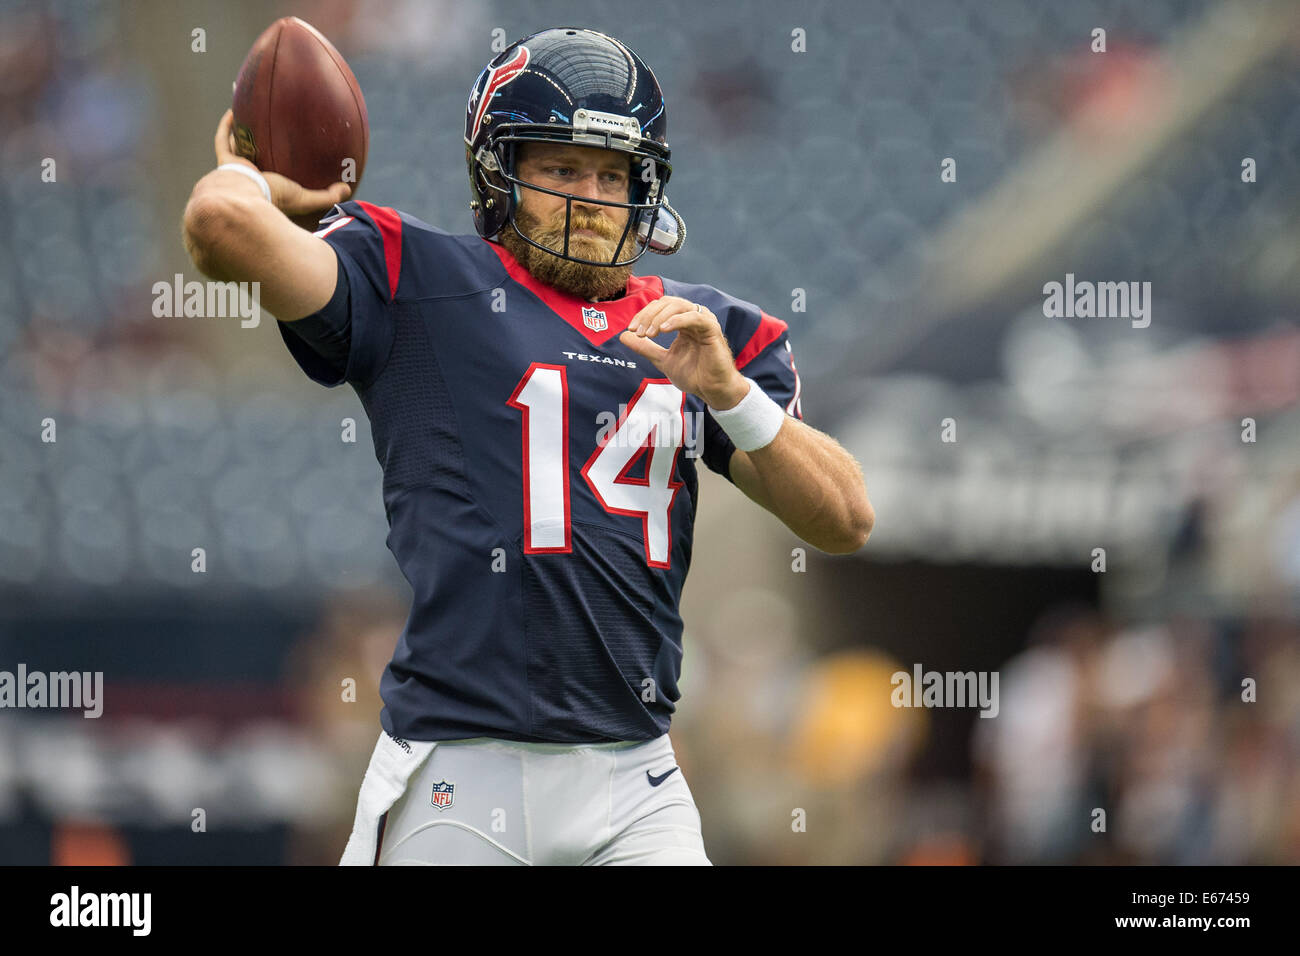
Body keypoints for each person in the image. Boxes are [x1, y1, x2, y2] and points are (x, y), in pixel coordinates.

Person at [182, 26, 873, 865]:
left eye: (612, 173)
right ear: (497, 174)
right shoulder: (418, 277)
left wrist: (732, 397)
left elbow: (846, 520)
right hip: (460, 771)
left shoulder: (709, 334)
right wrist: (241, 174)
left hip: (638, 781)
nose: (590, 197)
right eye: (559, 167)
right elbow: (219, 228)